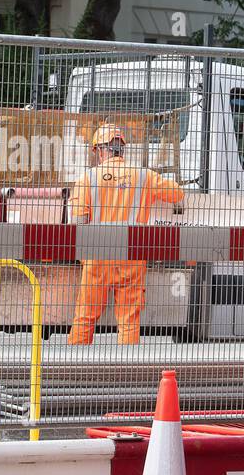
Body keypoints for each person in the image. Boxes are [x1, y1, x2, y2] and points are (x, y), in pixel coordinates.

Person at [67, 124, 185, 345]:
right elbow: (177, 193)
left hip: (97, 259)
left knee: (85, 317)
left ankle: (74, 368)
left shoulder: (87, 179)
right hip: (131, 258)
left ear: (100, 150)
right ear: (122, 148)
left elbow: (77, 224)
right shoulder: (143, 177)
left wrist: (83, 258)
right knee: (129, 320)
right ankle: (127, 371)